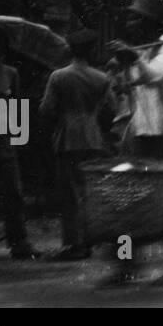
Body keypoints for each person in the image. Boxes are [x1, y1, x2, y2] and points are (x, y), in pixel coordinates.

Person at [109, 0, 163, 286]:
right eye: (130, 18)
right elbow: (126, 86)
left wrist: (132, 60)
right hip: (141, 137)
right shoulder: (139, 52)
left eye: (136, 18)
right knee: (132, 203)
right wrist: (120, 67)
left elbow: (153, 75)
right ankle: (126, 265)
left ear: (148, 23)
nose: (130, 23)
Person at [40, 28, 115, 261]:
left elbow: (46, 109)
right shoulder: (101, 78)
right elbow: (110, 109)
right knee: (90, 190)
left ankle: (75, 244)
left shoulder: (58, 76)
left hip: (67, 138)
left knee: (70, 194)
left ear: (70, 50)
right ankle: (93, 237)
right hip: (93, 136)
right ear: (91, 50)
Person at [0, 25, 39, 261]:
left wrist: (17, 138)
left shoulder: (11, 73)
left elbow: (17, 107)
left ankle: (19, 242)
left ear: (2, 50)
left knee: (13, 194)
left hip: (4, 142)